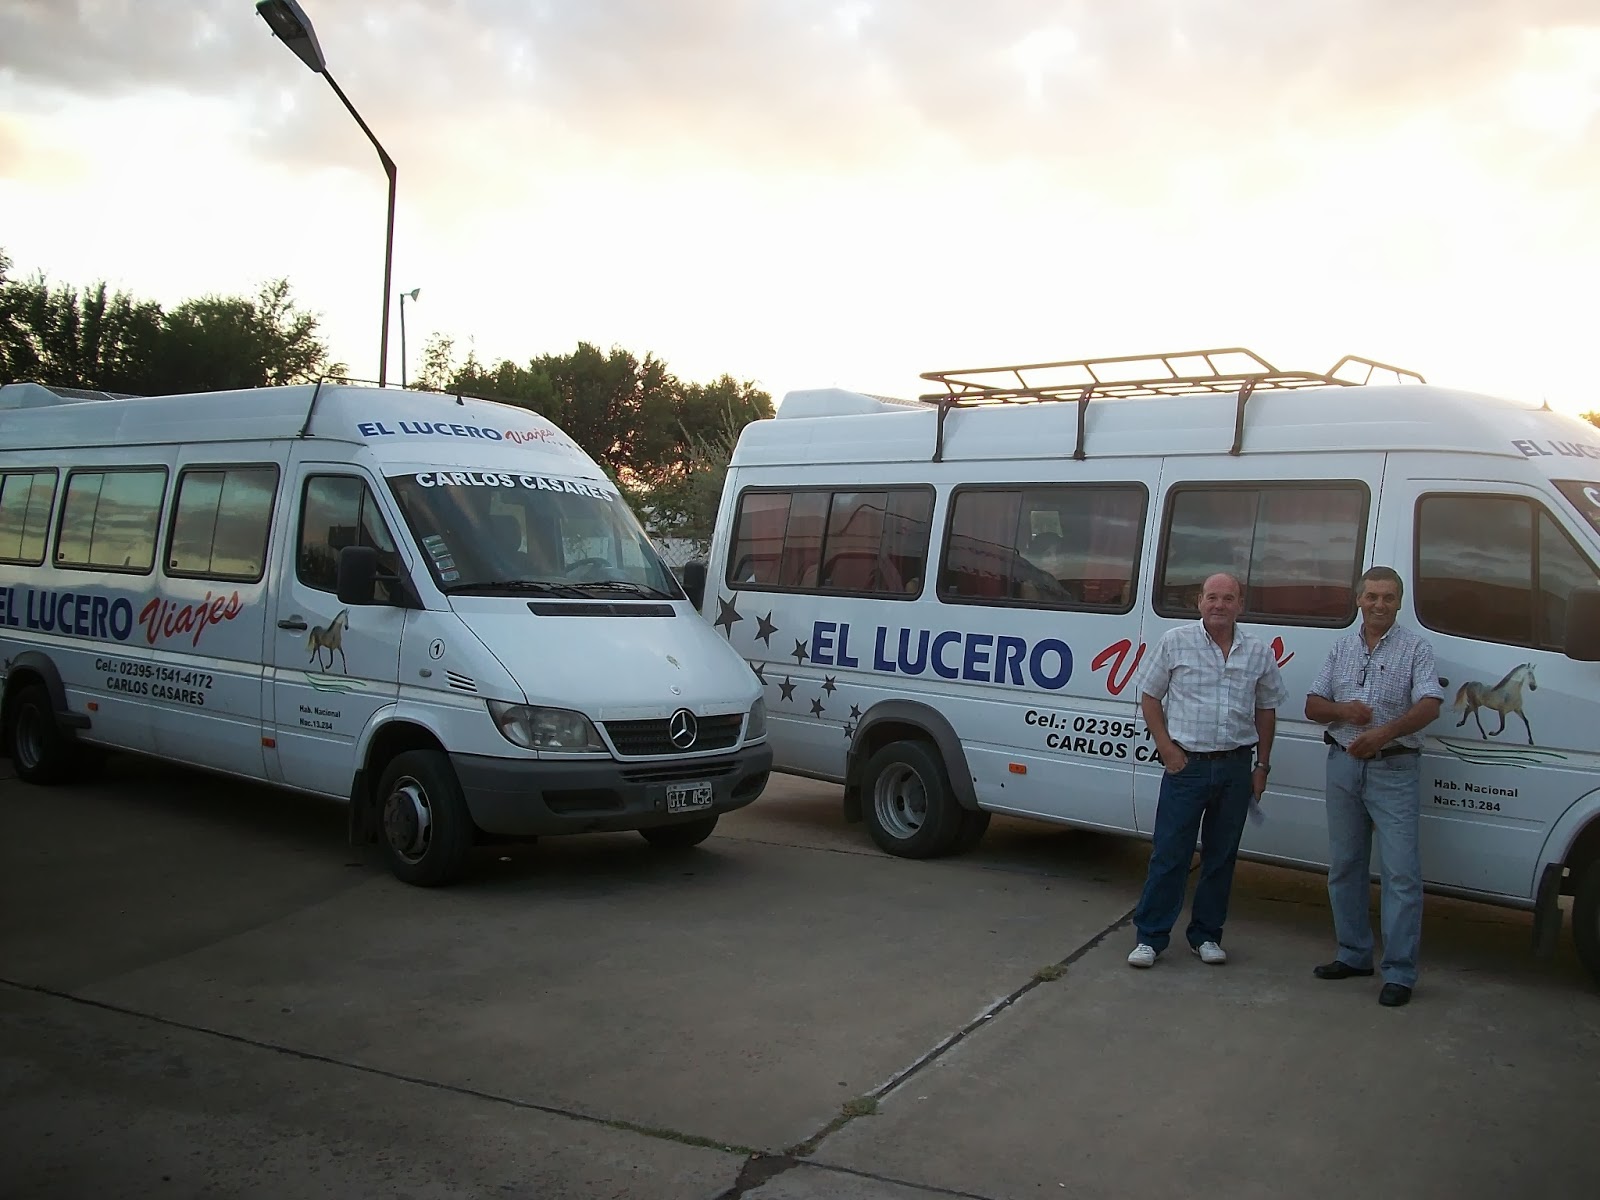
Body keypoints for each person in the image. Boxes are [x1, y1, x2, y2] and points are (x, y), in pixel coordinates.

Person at [1128, 572, 1286, 969]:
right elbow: (1149, 696)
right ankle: (1150, 938)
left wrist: (1262, 765)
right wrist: (1166, 748)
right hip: (1188, 768)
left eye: (1228, 598)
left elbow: (1266, 710)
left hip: (1235, 768)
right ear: (1199, 601)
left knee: (1221, 857)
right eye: (1212, 597)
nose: (1219, 605)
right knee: (1170, 854)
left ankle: (1207, 936)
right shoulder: (1175, 641)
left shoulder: (1257, 652)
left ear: (1240, 605)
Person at [1306, 565, 1443, 1008]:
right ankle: (1353, 954)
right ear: (1358, 600)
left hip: (1394, 769)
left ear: (1399, 602)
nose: (1379, 604)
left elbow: (1429, 705)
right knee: (1345, 866)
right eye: (1372, 597)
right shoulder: (1341, 648)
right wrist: (1344, 711)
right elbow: (1312, 705)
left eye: (1388, 597)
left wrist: (1382, 734)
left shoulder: (1416, 649)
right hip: (1343, 766)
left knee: (1401, 874)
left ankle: (1400, 973)